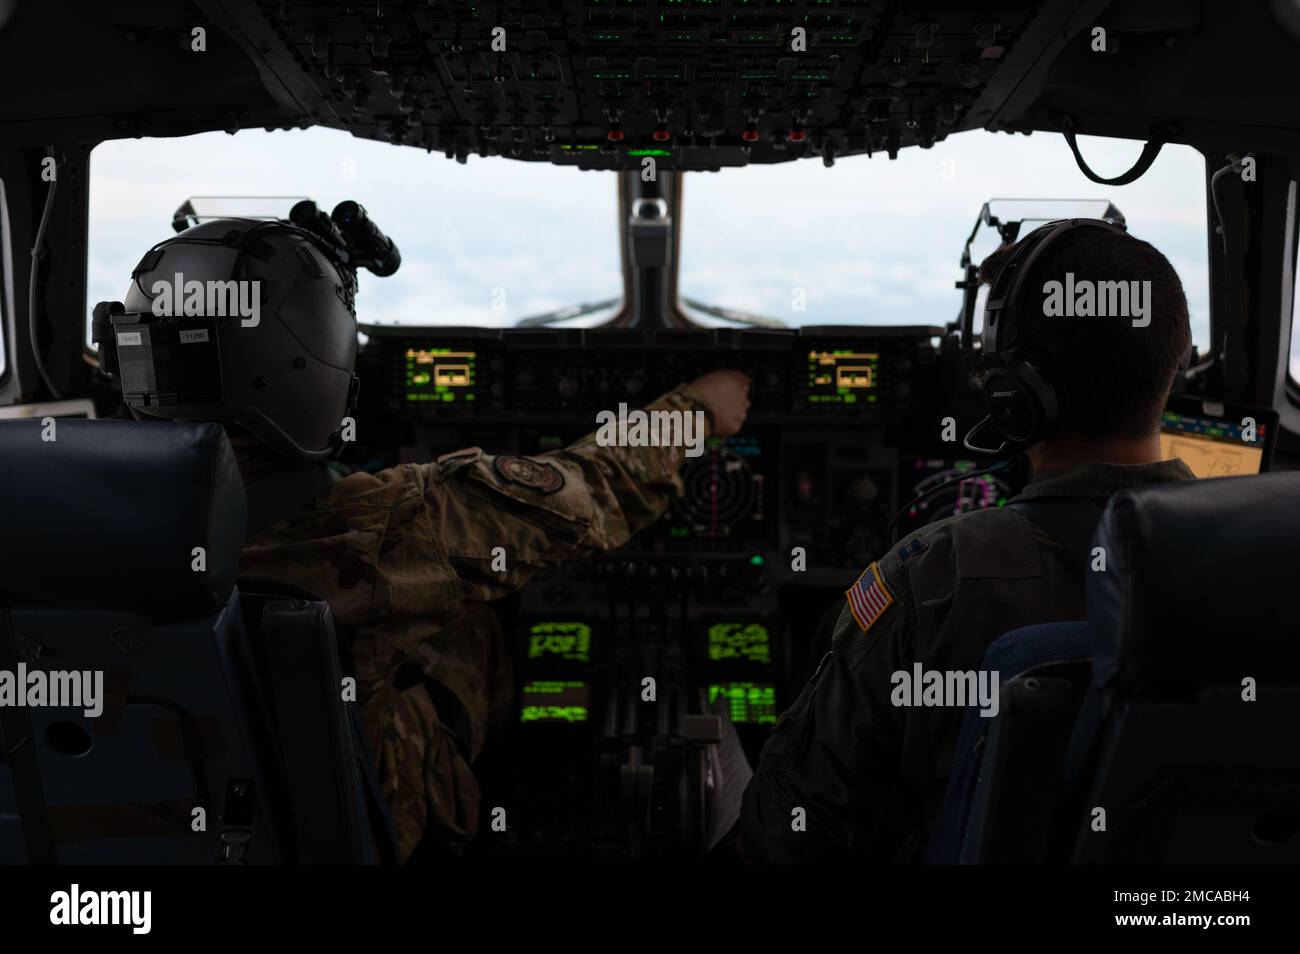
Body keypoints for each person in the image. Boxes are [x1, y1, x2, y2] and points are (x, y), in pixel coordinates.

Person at [96, 218, 752, 861]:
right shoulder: (381, 521)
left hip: (132, 832)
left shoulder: (65, 513)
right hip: (354, 819)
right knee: (472, 620)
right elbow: (584, 494)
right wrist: (694, 408)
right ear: (310, 361)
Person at [738, 221, 1195, 863]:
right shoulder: (1264, 568)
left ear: (1018, 393)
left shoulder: (931, 578)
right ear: (1175, 358)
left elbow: (791, 832)